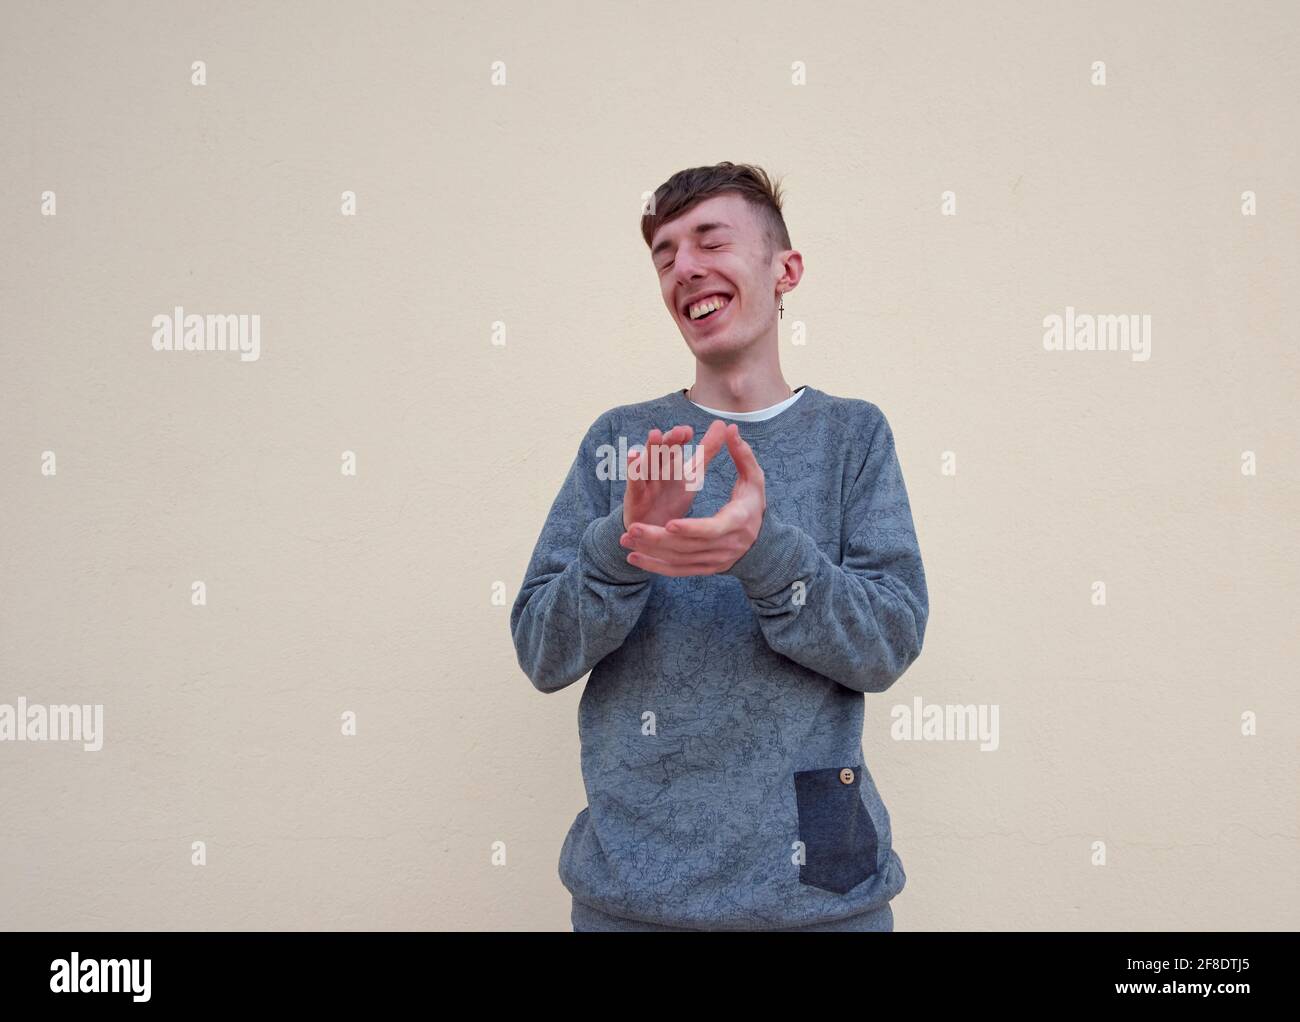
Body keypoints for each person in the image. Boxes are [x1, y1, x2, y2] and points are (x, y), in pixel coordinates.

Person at [510, 162, 929, 931]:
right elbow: (541, 652)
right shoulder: (619, 441)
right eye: (665, 255)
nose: (685, 268)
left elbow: (888, 644)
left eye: (711, 240)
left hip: (820, 900)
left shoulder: (852, 436)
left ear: (785, 271)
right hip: (632, 899)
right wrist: (620, 545)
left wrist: (764, 551)